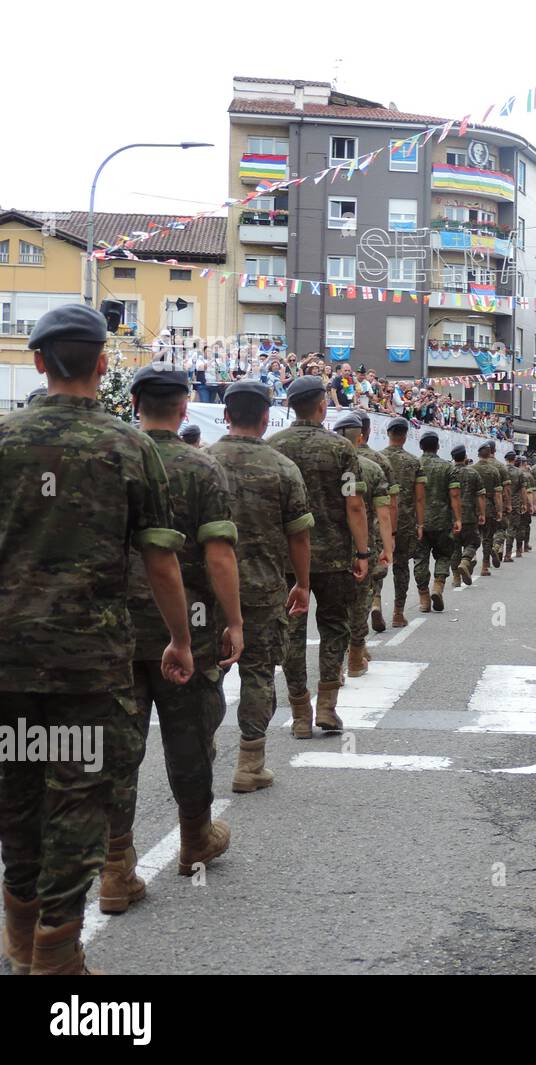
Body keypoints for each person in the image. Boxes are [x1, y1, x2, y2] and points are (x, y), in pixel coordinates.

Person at [0, 306, 190, 975]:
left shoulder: (4, 440)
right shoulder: (128, 446)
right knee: (80, 794)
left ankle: (20, 935)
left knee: (17, 792)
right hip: (88, 662)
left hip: (9, 663)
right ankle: (55, 950)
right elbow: (162, 560)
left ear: (38, 362)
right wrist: (178, 640)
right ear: (105, 365)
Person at [106, 364, 243, 913]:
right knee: (189, 735)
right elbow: (219, 554)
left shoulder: (111, 461)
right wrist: (234, 621)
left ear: (134, 401)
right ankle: (194, 839)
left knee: (117, 745)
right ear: (185, 408)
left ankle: (116, 867)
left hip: (112, 626)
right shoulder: (201, 467)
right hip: (188, 623)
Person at [209, 379, 313, 794]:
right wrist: (303, 584)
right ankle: (249, 765)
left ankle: (201, 750)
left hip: (209, 590)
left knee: (207, 673)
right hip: (264, 588)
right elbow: (299, 536)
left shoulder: (203, 461)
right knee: (257, 673)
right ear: (267, 418)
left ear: (227, 415)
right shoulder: (283, 468)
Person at [269, 375, 369, 738]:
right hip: (334, 556)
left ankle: (299, 712)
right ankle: (328, 705)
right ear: (323, 406)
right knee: (334, 627)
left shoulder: (274, 446)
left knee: (291, 634)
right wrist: (363, 551)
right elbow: (354, 504)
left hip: (286, 559)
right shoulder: (341, 449)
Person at [336, 413, 393, 679]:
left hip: (329, 546)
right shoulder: (373, 466)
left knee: (332, 608)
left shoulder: (327, 466)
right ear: (362, 436)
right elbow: (384, 511)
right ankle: (356, 657)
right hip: (364, 543)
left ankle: (332, 669)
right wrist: (388, 544)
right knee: (361, 600)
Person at [353, 411, 399, 633]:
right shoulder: (380, 461)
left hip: (346, 530)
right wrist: (391, 535)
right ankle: (376, 601)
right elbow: (391, 503)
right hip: (373, 528)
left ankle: (352, 640)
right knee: (375, 570)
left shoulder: (338, 457)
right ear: (369, 431)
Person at [381, 417, 425, 627]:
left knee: (377, 565)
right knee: (401, 567)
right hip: (406, 522)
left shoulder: (377, 459)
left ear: (388, 434)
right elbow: (419, 497)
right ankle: (398, 613)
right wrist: (420, 524)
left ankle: (374, 603)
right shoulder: (413, 462)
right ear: (405, 436)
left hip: (380, 522)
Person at [414, 430, 463, 611]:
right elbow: (455, 495)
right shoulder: (448, 467)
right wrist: (458, 518)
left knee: (420, 559)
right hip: (443, 521)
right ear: (438, 446)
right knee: (443, 555)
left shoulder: (414, 465)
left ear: (421, 446)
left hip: (419, 522)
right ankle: (438, 586)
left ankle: (424, 598)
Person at [451, 445, 487, 586]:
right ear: (465, 457)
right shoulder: (473, 474)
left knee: (454, 547)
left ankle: (456, 578)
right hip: (470, 516)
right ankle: (466, 561)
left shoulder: (449, 473)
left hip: (452, 516)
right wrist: (482, 513)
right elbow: (480, 496)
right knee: (473, 542)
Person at [474, 443, 504, 576]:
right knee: (487, 538)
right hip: (489, 507)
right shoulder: (494, 471)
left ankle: (469, 559)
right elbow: (498, 494)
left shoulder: (471, 469)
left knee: (472, 537)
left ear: (478, 454)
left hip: (472, 507)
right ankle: (485, 566)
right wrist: (499, 510)